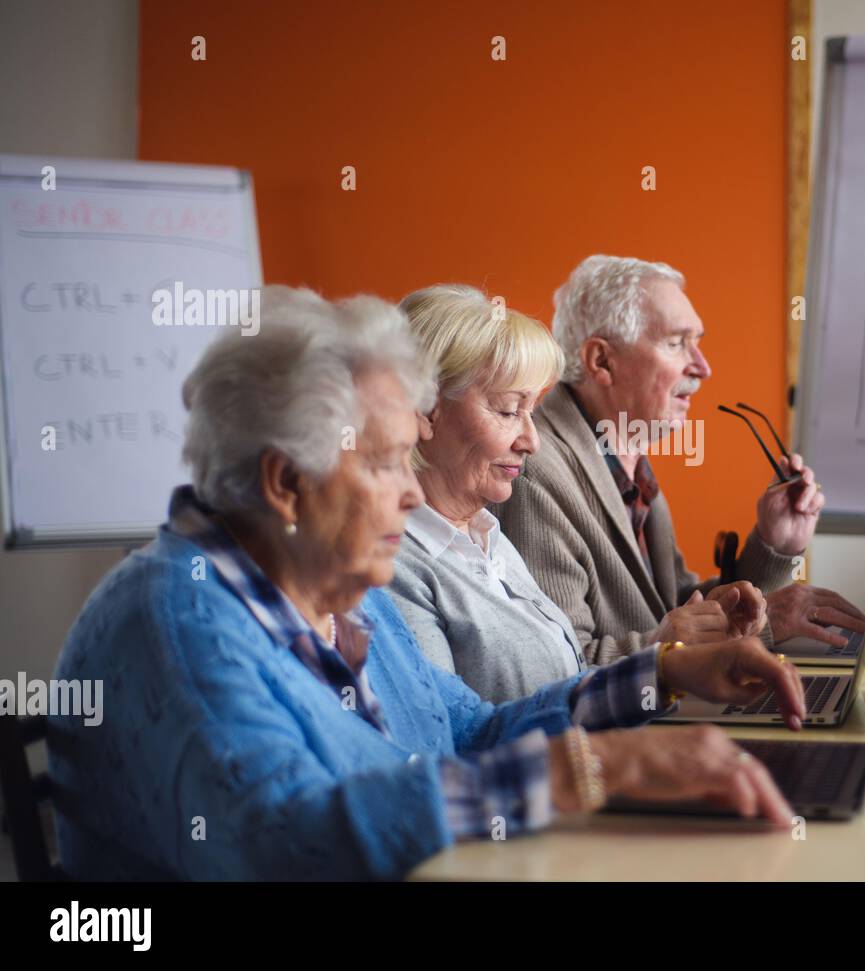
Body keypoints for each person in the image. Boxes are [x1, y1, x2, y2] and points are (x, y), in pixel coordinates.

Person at [47, 286, 805, 881]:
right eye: (383, 463)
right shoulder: (177, 621)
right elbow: (287, 846)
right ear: (286, 483)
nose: (409, 493)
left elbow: (470, 733)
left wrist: (663, 672)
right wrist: (591, 768)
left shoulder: (340, 593)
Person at [389, 284, 766, 702]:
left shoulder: (485, 536)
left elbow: (568, 675)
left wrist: (677, 653)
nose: (531, 440)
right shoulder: (393, 569)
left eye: (531, 410)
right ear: (424, 411)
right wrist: (661, 660)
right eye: (508, 409)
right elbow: (452, 740)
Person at [494, 255, 865, 666]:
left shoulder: (628, 463)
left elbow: (675, 612)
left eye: (698, 342)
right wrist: (763, 624)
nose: (703, 367)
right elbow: (563, 668)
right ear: (601, 360)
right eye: (676, 343)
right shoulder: (534, 475)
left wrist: (773, 546)